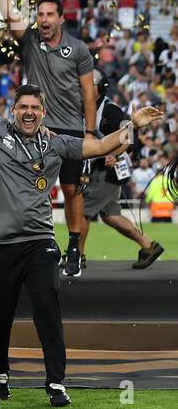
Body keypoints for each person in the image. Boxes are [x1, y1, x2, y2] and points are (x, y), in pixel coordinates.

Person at [0, 86, 162, 406]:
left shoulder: (56, 142)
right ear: (12, 109)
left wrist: (133, 126)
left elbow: (101, 145)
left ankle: (56, 382)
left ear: (43, 112)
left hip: (40, 241)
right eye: (23, 107)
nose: (29, 112)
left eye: (35, 107)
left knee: (48, 308)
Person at [0, 0, 97, 278]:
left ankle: (75, 249)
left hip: (69, 128)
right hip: (34, 127)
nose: (43, 20)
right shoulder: (29, 41)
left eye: (49, 14)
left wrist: (91, 132)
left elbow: (88, 94)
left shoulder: (78, 49)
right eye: (39, 14)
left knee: (70, 188)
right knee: (31, 189)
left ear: (60, 18)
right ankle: (29, 248)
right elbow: (9, 17)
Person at [80, 74, 166, 269]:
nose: (82, 87)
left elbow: (130, 138)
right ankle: (149, 245)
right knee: (111, 215)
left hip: (107, 170)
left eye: (87, 84)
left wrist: (115, 155)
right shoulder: (88, 107)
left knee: (82, 210)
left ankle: (77, 255)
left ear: (100, 87)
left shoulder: (110, 109)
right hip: (101, 168)